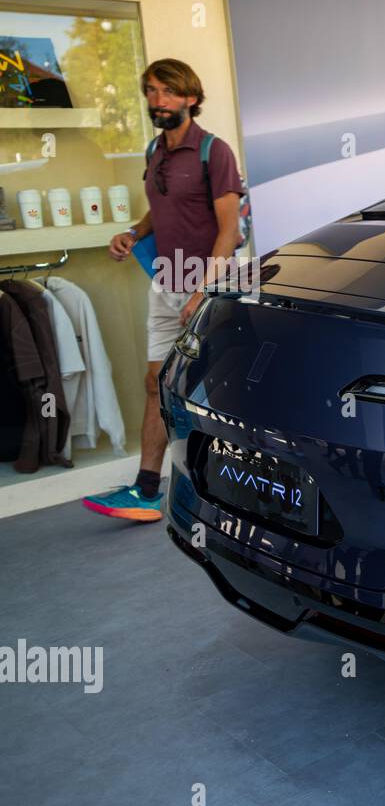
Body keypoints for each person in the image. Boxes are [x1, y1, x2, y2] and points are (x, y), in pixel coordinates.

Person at [82, 58, 245, 523]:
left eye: (168, 92)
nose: (158, 101)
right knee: (156, 384)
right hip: (165, 283)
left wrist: (202, 290)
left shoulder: (214, 151)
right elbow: (161, 209)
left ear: (191, 97)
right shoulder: (155, 150)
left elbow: (228, 230)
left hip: (208, 286)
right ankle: (146, 490)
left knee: (215, 391)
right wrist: (133, 232)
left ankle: (239, 495)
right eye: (152, 91)